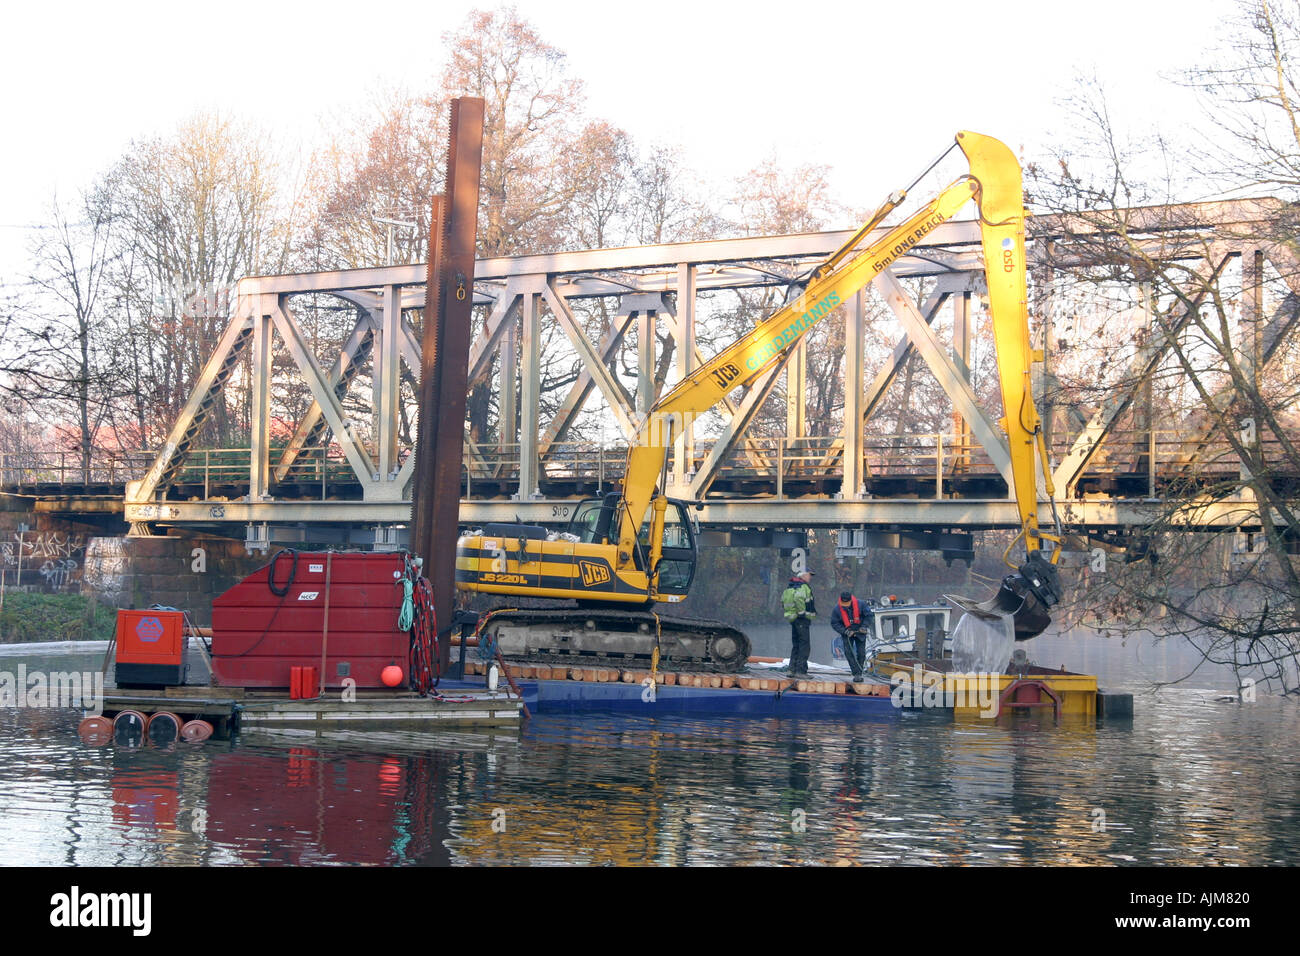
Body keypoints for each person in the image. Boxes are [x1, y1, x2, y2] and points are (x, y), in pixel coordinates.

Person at [831, 590, 872, 682]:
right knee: (848, 653)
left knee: (861, 653)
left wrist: (864, 626)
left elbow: (869, 615)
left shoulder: (861, 604)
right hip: (847, 633)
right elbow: (834, 623)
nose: (845, 605)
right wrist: (845, 631)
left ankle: (859, 672)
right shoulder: (837, 609)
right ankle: (856, 673)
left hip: (860, 631)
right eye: (843, 603)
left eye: (847, 603)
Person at [781, 570, 816, 677]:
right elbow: (798, 598)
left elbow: (783, 601)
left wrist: (792, 613)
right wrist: (802, 613)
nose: (810, 577)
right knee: (804, 645)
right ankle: (801, 671)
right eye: (809, 575)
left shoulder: (790, 587)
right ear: (804, 576)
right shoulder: (803, 587)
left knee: (796, 645)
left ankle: (792, 670)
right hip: (802, 619)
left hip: (793, 619)